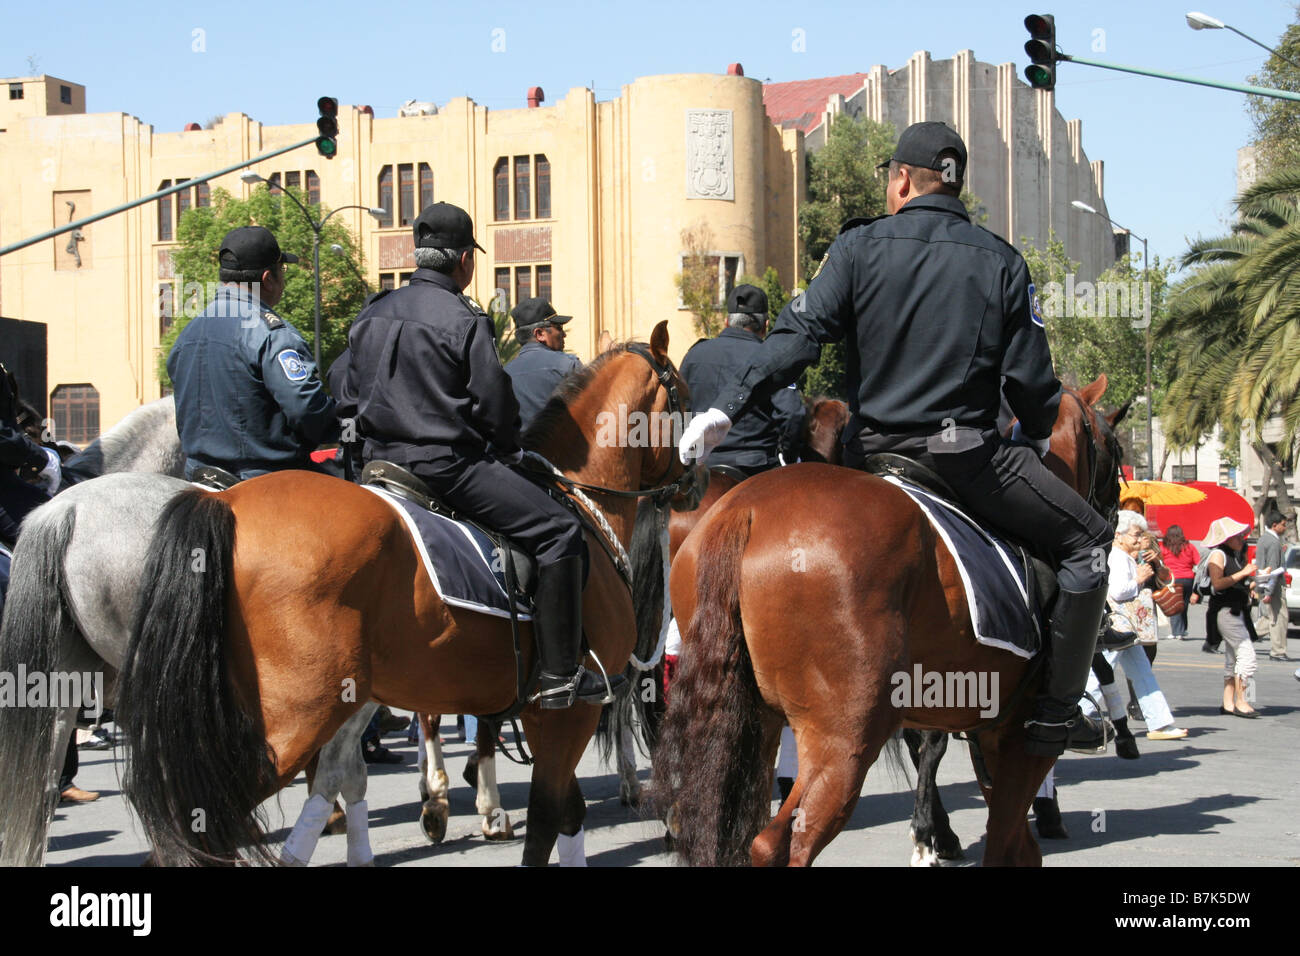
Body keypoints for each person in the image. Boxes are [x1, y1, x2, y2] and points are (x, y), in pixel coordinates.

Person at [678, 122, 1114, 756]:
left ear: (903, 180)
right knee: (1090, 545)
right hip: (965, 460)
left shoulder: (857, 248)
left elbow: (798, 339)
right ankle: (1055, 712)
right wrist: (1040, 439)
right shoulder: (1001, 259)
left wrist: (725, 406)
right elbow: (1032, 387)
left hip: (871, 458)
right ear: (954, 184)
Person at [342, 202, 622, 709]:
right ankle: (559, 675)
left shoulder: (373, 313)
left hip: (379, 466)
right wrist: (513, 450)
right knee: (560, 532)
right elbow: (495, 410)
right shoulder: (465, 320)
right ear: (464, 261)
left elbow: (343, 391)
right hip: (447, 468)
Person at [167, 226, 339, 481]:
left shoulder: (189, 333)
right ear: (268, 279)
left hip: (198, 479)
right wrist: (344, 424)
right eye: (283, 271)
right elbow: (306, 409)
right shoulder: (270, 333)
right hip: (265, 480)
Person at [679, 285, 805, 477]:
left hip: (700, 468)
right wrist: (789, 457)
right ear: (766, 325)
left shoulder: (694, 354)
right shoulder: (773, 359)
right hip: (756, 471)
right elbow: (792, 415)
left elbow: (678, 410)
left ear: (726, 321)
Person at [1087, 511, 1188, 742]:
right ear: (1119, 535)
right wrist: (1139, 579)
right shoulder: (1116, 557)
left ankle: (1160, 723)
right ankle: (1077, 714)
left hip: (1129, 627)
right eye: (1135, 534)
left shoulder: (1126, 556)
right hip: (1118, 626)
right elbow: (1117, 592)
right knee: (1100, 675)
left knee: (1141, 673)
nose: (1138, 538)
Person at [1203, 517, 1260, 717]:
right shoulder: (1218, 555)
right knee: (1247, 656)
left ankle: (1228, 702)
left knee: (1232, 657)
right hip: (1226, 611)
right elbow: (1217, 584)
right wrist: (1243, 573)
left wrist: (1253, 581)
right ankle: (1242, 701)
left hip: (1235, 609)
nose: (1242, 538)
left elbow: (1235, 584)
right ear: (1226, 538)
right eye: (1237, 535)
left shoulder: (1235, 555)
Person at [503, 297, 582, 432]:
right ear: (540, 334)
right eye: (558, 328)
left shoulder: (504, 374)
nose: (564, 334)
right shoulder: (568, 366)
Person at [1256, 509, 1293, 662]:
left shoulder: (1263, 539)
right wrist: (1269, 592)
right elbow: (1272, 569)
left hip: (1265, 584)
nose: (1285, 528)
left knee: (1268, 617)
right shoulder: (1272, 542)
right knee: (1279, 618)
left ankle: (1243, 636)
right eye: (1283, 525)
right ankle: (1278, 652)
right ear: (1275, 525)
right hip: (1272, 586)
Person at [1159, 524, 1199, 640]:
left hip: (1172, 579)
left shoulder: (1164, 547)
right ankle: (1183, 630)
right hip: (1188, 579)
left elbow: (1160, 562)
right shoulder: (1189, 547)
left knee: (1174, 605)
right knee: (1183, 605)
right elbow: (1197, 561)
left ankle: (1177, 632)